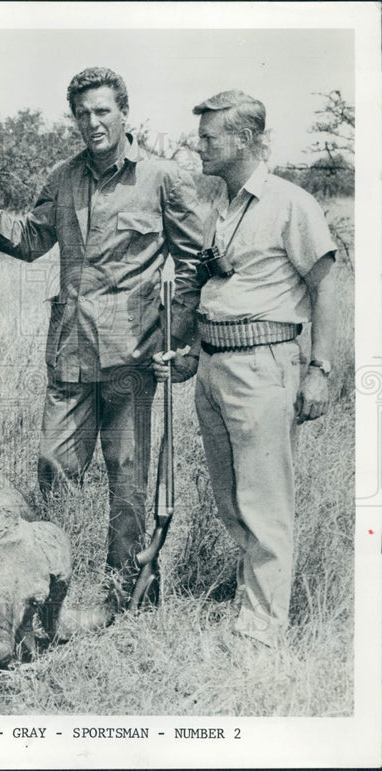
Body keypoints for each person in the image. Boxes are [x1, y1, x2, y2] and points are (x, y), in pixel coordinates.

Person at [0, 67, 204, 620]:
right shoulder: (63, 177)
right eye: (82, 113)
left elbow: (194, 264)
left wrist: (177, 338)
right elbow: (30, 238)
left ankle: (127, 595)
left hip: (133, 357)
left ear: (124, 112)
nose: (92, 122)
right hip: (69, 354)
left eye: (102, 111)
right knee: (53, 467)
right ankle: (49, 590)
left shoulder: (163, 178)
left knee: (128, 478)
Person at [154, 90, 337, 648]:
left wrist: (321, 370)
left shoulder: (290, 202)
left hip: (265, 367)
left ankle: (261, 635)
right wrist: (192, 356)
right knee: (231, 499)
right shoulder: (221, 205)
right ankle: (250, 605)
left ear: (245, 140)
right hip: (215, 367)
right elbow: (220, 287)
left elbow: (326, 289)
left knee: (265, 503)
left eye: (210, 137)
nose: (199, 145)